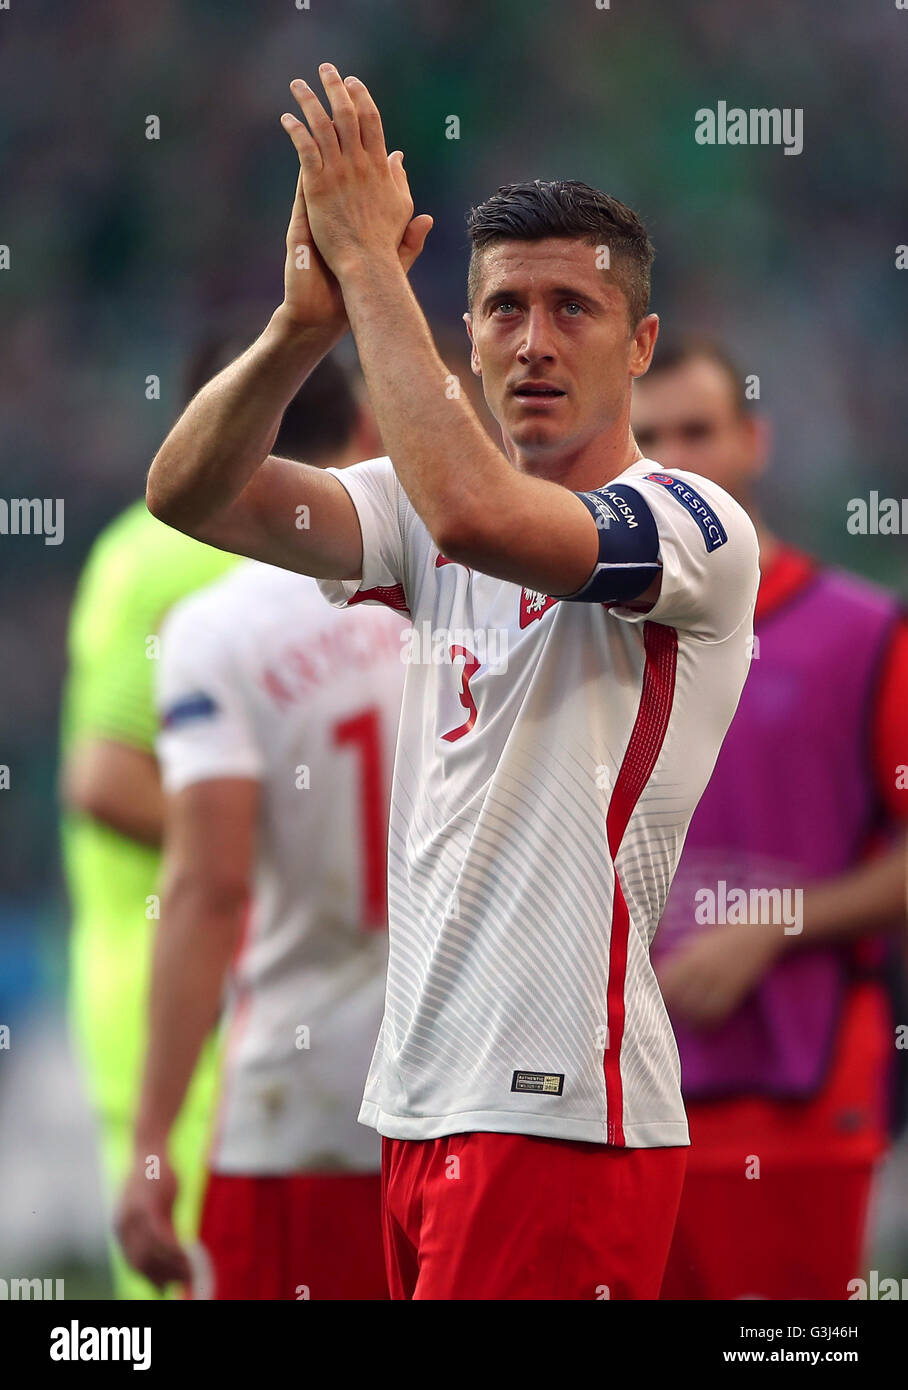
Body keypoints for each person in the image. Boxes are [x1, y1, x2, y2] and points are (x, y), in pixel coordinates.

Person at [144, 66, 760, 1300]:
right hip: (418, 1101)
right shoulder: (414, 511)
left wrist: (371, 267)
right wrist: (298, 330)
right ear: (465, 331)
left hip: (560, 1108)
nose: (531, 342)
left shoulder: (689, 523)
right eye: (499, 308)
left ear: (639, 343)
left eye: (571, 309)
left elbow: (480, 514)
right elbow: (188, 495)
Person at [60, 329, 379, 1299]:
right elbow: (105, 778)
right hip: (196, 1001)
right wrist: (255, 841)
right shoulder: (166, 559)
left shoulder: (363, 545)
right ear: (362, 421)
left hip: (284, 992)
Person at [629, 338, 908, 1300]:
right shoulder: (586, 642)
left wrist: (774, 925)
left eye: (698, 432)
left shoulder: (863, 632)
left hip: (800, 1103)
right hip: (617, 1110)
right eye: (648, 439)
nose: (676, 462)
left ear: (755, 440)